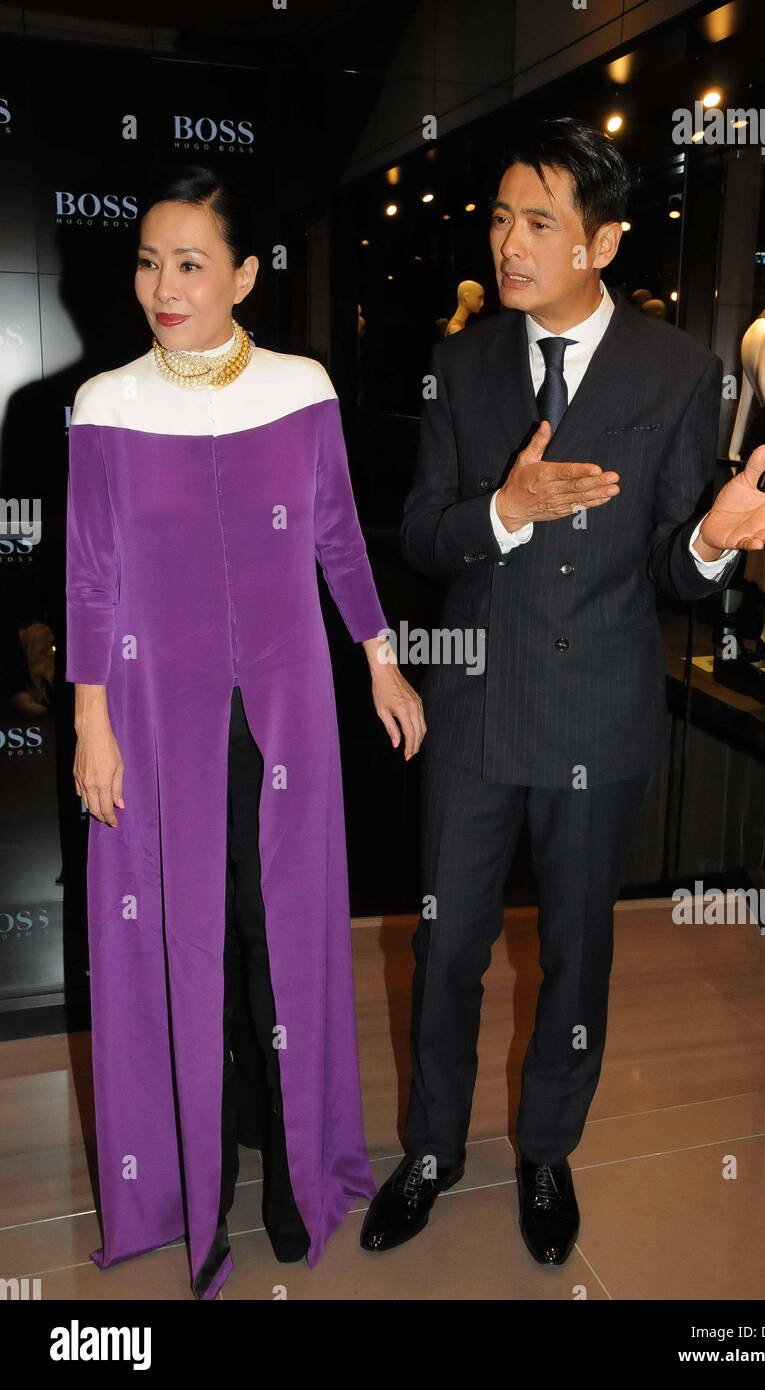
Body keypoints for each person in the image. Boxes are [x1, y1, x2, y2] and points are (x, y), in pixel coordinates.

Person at [360, 116, 765, 1264]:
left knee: (577, 948)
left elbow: (672, 563)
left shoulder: (674, 368)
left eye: (538, 223)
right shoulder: (464, 359)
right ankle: (429, 1150)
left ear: (603, 240)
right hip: (475, 708)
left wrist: (714, 539)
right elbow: (423, 532)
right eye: (499, 218)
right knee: (448, 946)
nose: (507, 243)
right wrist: (503, 513)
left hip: (600, 712)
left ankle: (545, 1152)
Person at [65, 165, 425, 1300]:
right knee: (180, 939)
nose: (162, 287)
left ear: (243, 274)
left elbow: (338, 539)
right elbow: (90, 577)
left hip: (284, 715)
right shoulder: (106, 404)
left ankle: (294, 1169)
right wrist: (88, 720)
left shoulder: (300, 387)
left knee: (281, 935)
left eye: (188, 263)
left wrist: (381, 660)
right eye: (146, 261)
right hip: (152, 719)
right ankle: (193, 1183)